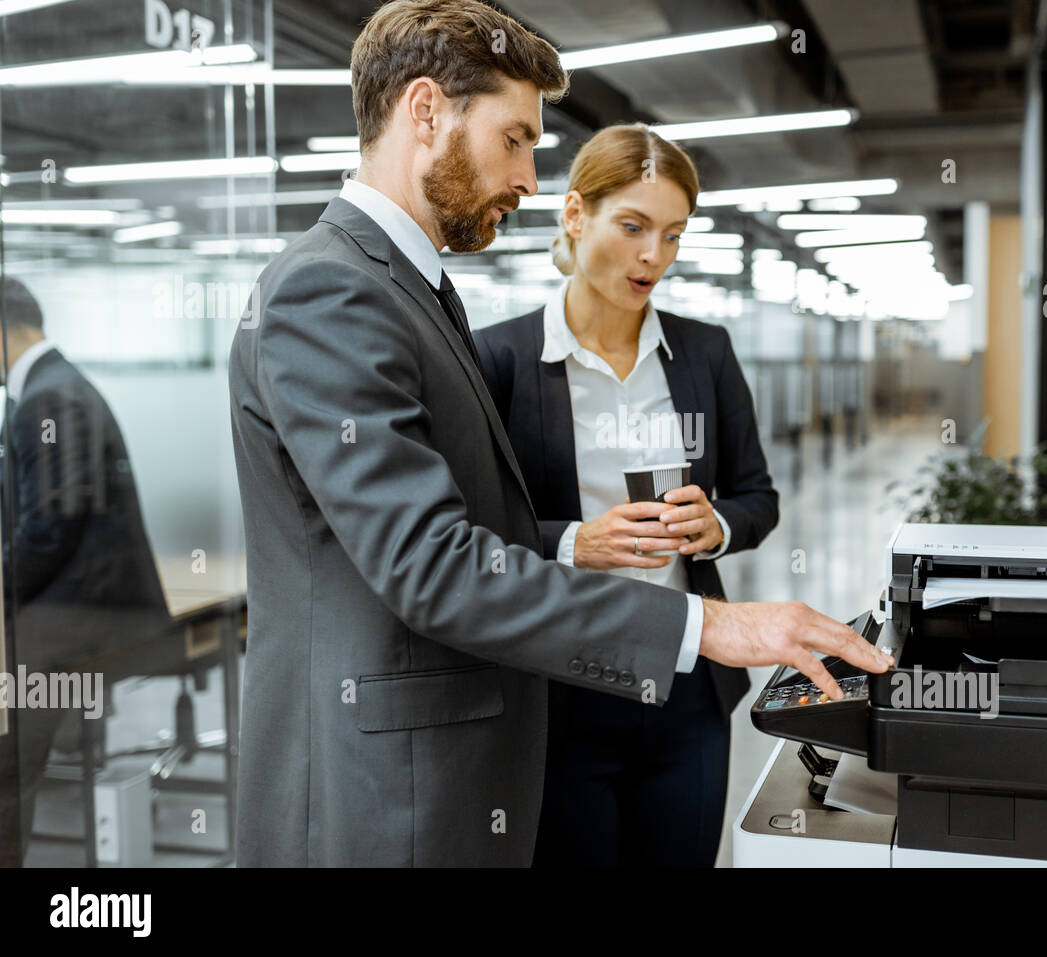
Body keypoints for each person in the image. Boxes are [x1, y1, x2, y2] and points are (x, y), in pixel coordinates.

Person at [227, 0, 892, 867]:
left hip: (453, 762)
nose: (531, 178)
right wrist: (710, 625)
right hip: (386, 793)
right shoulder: (333, 292)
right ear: (426, 112)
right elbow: (436, 566)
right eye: (516, 139)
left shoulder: (411, 292)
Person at [476, 124, 777, 867]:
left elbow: (757, 496)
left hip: (688, 688)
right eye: (634, 227)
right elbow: (473, 531)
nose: (654, 257)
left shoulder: (703, 352)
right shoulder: (501, 358)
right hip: (563, 692)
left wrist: (717, 526)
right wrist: (576, 541)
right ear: (576, 215)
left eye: (673, 235)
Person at [0, 277, 171, 862]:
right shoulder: (57, 388)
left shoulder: (50, 398)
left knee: (6, 757)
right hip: (88, 608)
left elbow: (50, 528)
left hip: (86, 619)